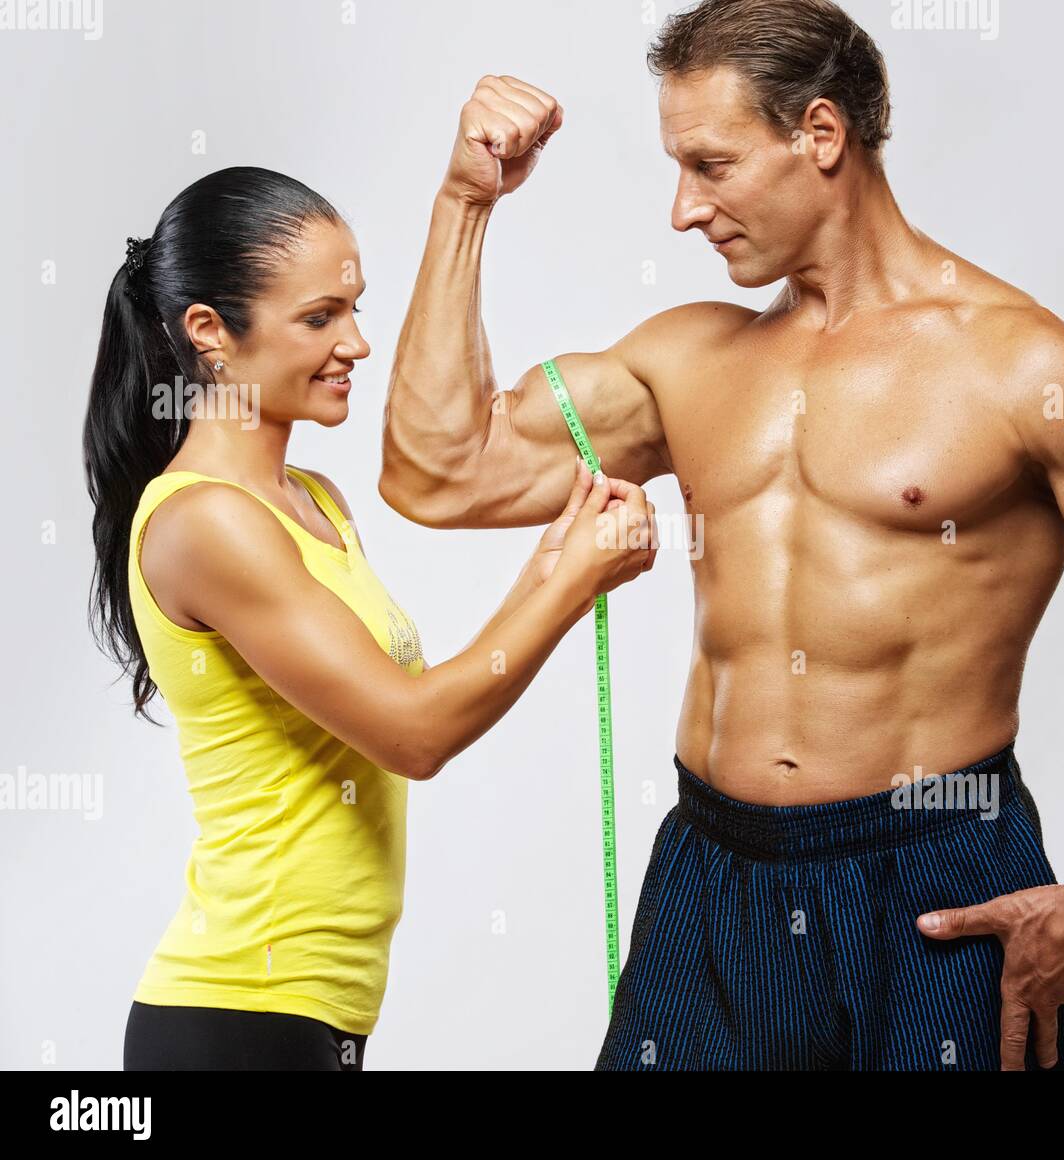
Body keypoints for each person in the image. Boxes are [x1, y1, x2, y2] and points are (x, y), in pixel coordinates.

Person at [378, 2, 1064, 1070]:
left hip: (933, 885)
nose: (683, 210)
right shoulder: (687, 361)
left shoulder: (1029, 369)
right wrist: (462, 204)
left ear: (820, 135)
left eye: (710, 164)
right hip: (709, 878)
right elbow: (435, 472)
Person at [83, 166, 656, 1071]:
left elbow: (403, 697)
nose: (356, 341)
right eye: (319, 318)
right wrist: (571, 584)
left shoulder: (313, 500)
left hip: (316, 1016)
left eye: (353, 308)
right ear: (210, 333)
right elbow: (415, 736)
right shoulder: (206, 523)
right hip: (238, 1013)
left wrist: (552, 563)